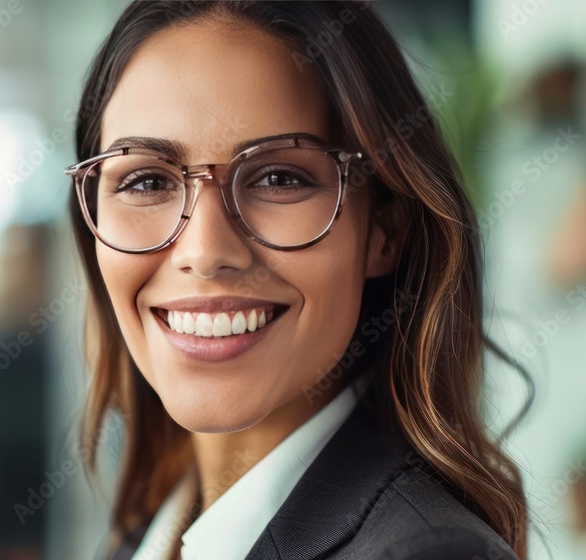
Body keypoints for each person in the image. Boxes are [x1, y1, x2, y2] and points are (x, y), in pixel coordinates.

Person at [65, 2, 529, 559]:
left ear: (384, 228)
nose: (205, 252)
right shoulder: (144, 536)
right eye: (144, 181)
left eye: (279, 177)